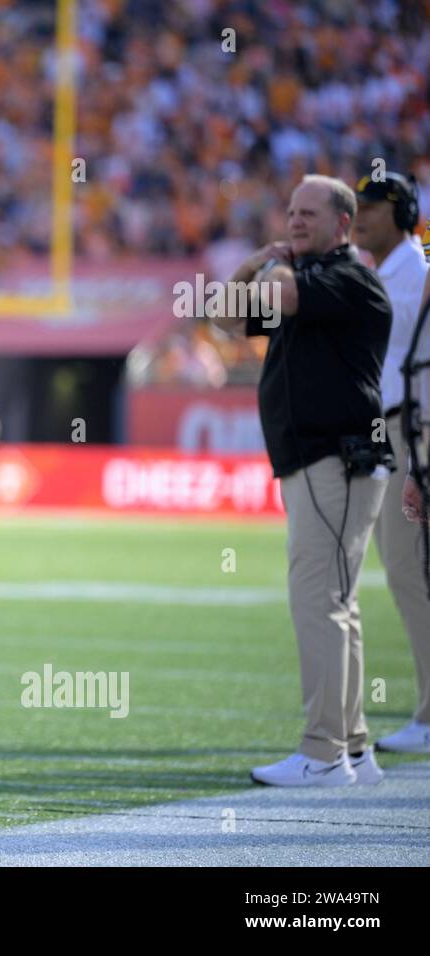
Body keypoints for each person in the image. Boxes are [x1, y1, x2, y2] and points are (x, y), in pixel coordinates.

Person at [213, 175, 392, 786]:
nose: (293, 222)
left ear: (343, 224)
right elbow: (225, 318)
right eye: (289, 212)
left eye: (308, 214)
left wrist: (279, 265)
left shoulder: (345, 278)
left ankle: (323, 753)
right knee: (337, 603)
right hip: (324, 461)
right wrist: (255, 261)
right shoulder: (300, 276)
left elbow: (285, 297)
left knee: (319, 602)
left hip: (333, 457)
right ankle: (355, 749)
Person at [353, 172, 430, 755]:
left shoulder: (418, 271)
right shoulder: (379, 270)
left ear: (401, 213)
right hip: (391, 431)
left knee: (412, 573)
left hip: (414, 432)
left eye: (372, 206)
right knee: (404, 572)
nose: (360, 214)